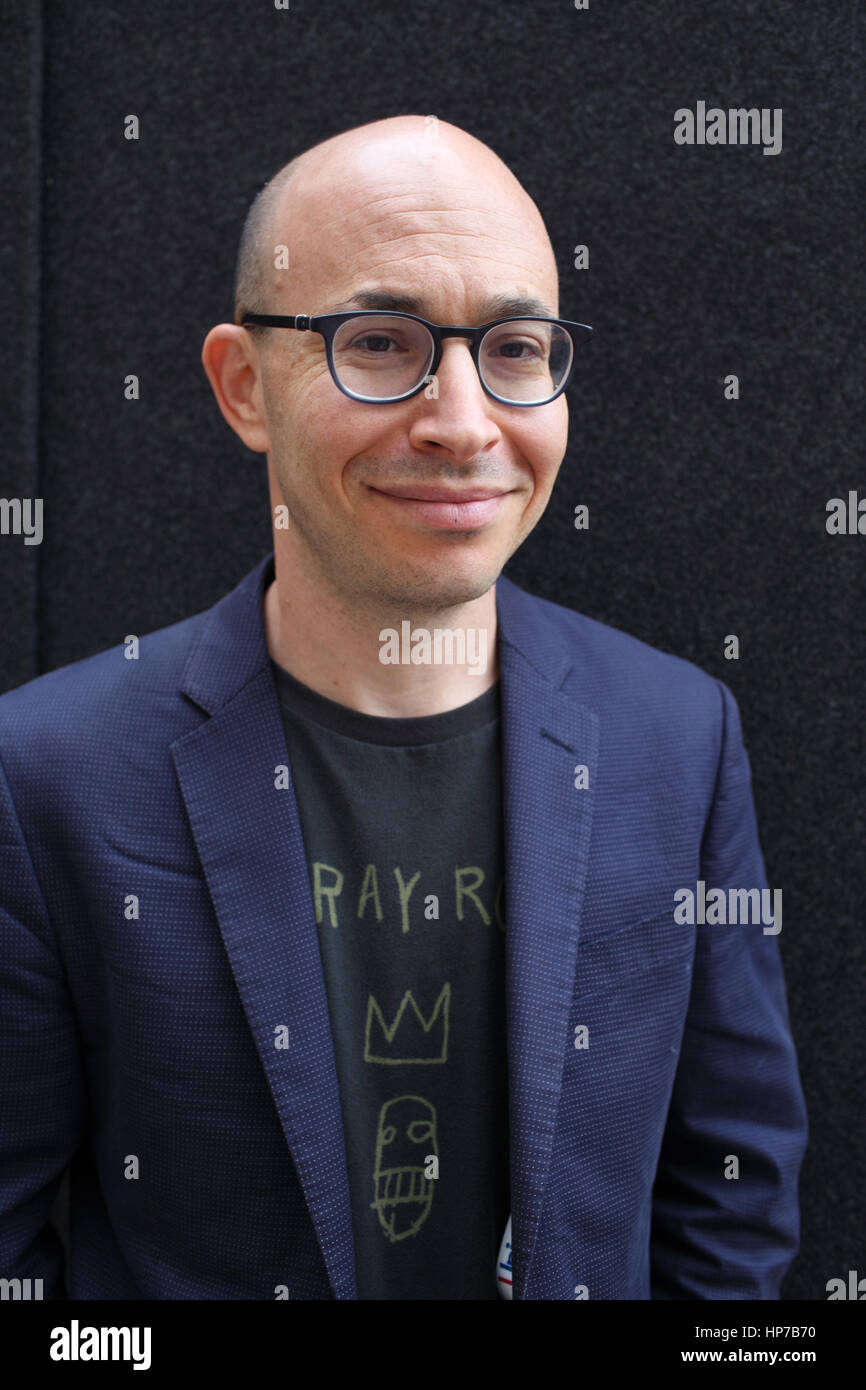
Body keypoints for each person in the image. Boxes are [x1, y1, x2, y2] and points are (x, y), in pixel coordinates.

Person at [0, 115, 807, 1300]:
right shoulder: (44, 773)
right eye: (379, 343)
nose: (463, 422)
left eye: (515, 348)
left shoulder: (676, 738)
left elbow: (731, 1198)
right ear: (243, 387)